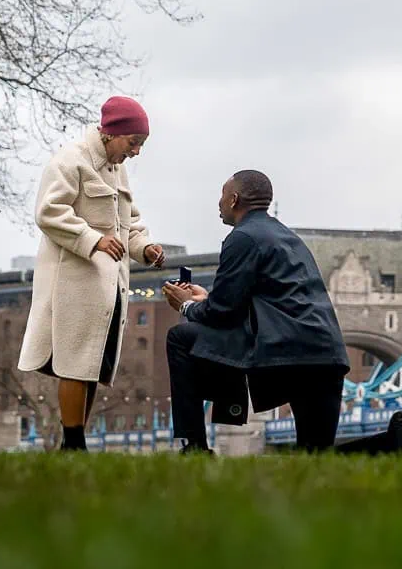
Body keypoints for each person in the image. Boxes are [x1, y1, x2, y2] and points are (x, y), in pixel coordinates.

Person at [163, 170, 350, 453]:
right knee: (317, 454)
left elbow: (223, 313)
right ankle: (390, 451)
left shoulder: (243, 238)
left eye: (222, 196)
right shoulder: (288, 236)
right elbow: (262, 299)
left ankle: (195, 447)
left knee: (180, 338)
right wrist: (208, 299)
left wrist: (186, 306)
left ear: (234, 199)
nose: (219, 203)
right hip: (327, 354)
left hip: (284, 351)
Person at [18, 96, 165, 451]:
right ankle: (73, 443)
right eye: (134, 143)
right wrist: (93, 240)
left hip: (108, 286)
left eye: (140, 145)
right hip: (72, 282)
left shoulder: (117, 168)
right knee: (73, 362)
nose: (136, 152)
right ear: (112, 133)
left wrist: (144, 247)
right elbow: (48, 212)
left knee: (94, 364)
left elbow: (128, 222)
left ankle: (75, 442)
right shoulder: (70, 161)